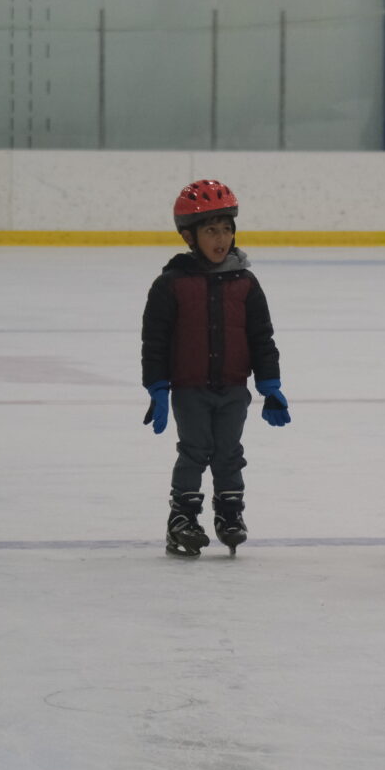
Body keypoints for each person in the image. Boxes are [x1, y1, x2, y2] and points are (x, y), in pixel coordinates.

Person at [141, 179, 289, 558]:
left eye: (226, 229)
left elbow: (261, 337)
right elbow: (154, 341)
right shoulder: (170, 285)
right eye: (210, 230)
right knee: (194, 451)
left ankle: (229, 513)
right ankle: (183, 519)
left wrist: (270, 385)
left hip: (233, 388)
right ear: (190, 237)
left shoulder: (246, 283)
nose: (220, 238)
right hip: (190, 389)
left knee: (228, 453)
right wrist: (158, 387)